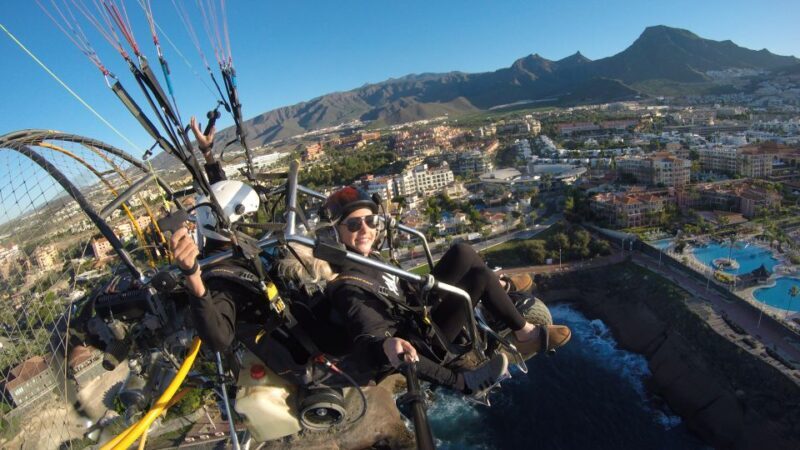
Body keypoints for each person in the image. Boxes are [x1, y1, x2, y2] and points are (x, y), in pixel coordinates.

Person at [321, 186, 572, 399]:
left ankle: (500, 290)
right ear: (336, 233)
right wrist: (458, 382)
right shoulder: (348, 287)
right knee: (480, 278)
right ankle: (525, 333)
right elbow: (369, 343)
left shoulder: (368, 257)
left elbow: (396, 288)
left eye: (371, 221)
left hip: (417, 307)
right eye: (354, 224)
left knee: (463, 252)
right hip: (427, 340)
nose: (365, 230)